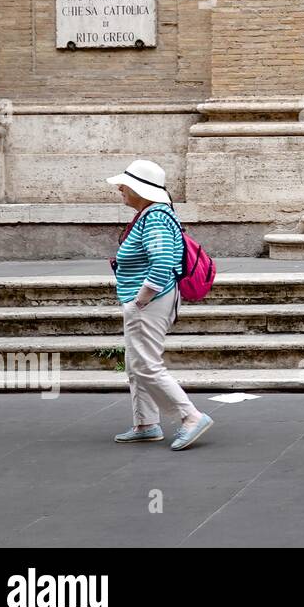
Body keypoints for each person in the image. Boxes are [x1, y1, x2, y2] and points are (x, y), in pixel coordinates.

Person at [106, 159, 213, 451]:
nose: (119, 189)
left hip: (150, 300)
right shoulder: (150, 214)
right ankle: (146, 423)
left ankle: (190, 417)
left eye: (125, 185)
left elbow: (163, 261)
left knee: (147, 365)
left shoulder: (155, 217)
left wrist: (141, 299)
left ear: (141, 189)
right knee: (135, 363)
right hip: (146, 299)